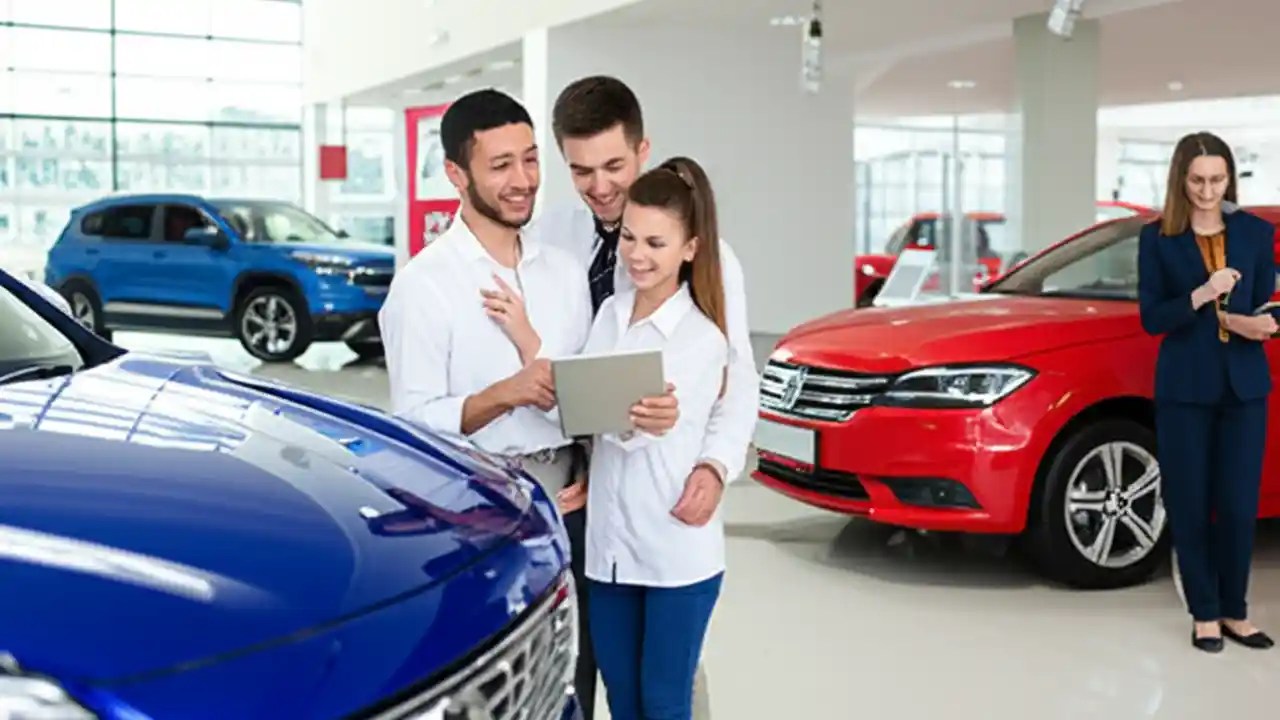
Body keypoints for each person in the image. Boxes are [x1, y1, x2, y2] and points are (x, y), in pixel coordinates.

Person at [377, 89, 677, 695]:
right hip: (479, 514)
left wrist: (596, 455)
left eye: (531, 159)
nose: (523, 181)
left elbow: (585, 386)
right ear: (456, 174)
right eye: (501, 165)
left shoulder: (564, 271)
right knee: (505, 690)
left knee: (576, 681)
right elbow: (410, 428)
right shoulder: (423, 287)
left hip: (573, 506)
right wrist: (503, 394)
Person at [530, 76, 758, 717]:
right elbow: (571, 371)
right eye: (581, 171)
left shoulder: (708, 259)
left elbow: (736, 376)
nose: (600, 187)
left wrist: (715, 465)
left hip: (665, 499)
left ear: (642, 149)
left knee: (667, 684)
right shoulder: (555, 241)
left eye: (613, 166)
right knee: (590, 667)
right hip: (584, 488)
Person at [578, 156, 730, 720]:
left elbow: (626, 427)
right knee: (622, 701)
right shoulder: (609, 315)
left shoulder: (701, 338)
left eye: (656, 243)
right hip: (609, 551)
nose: (637, 254)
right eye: (629, 237)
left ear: (690, 249)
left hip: (674, 553)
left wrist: (624, 417)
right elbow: (584, 408)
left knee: (664, 704)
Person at [1137, 131, 1278, 653]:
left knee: (1239, 505)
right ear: (1181, 179)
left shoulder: (1256, 233)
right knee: (1190, 503)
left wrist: (1258, 325)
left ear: (1230, 178)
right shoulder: (1157, 238)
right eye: (1197, 180)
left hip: (1244, 388)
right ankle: (1204, 614)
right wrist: (1202, 294)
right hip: (1184, 389)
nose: (1207, 190)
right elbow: (1152, 318)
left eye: (1217, 179)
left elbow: (1268, 305)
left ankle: (1235, 611)